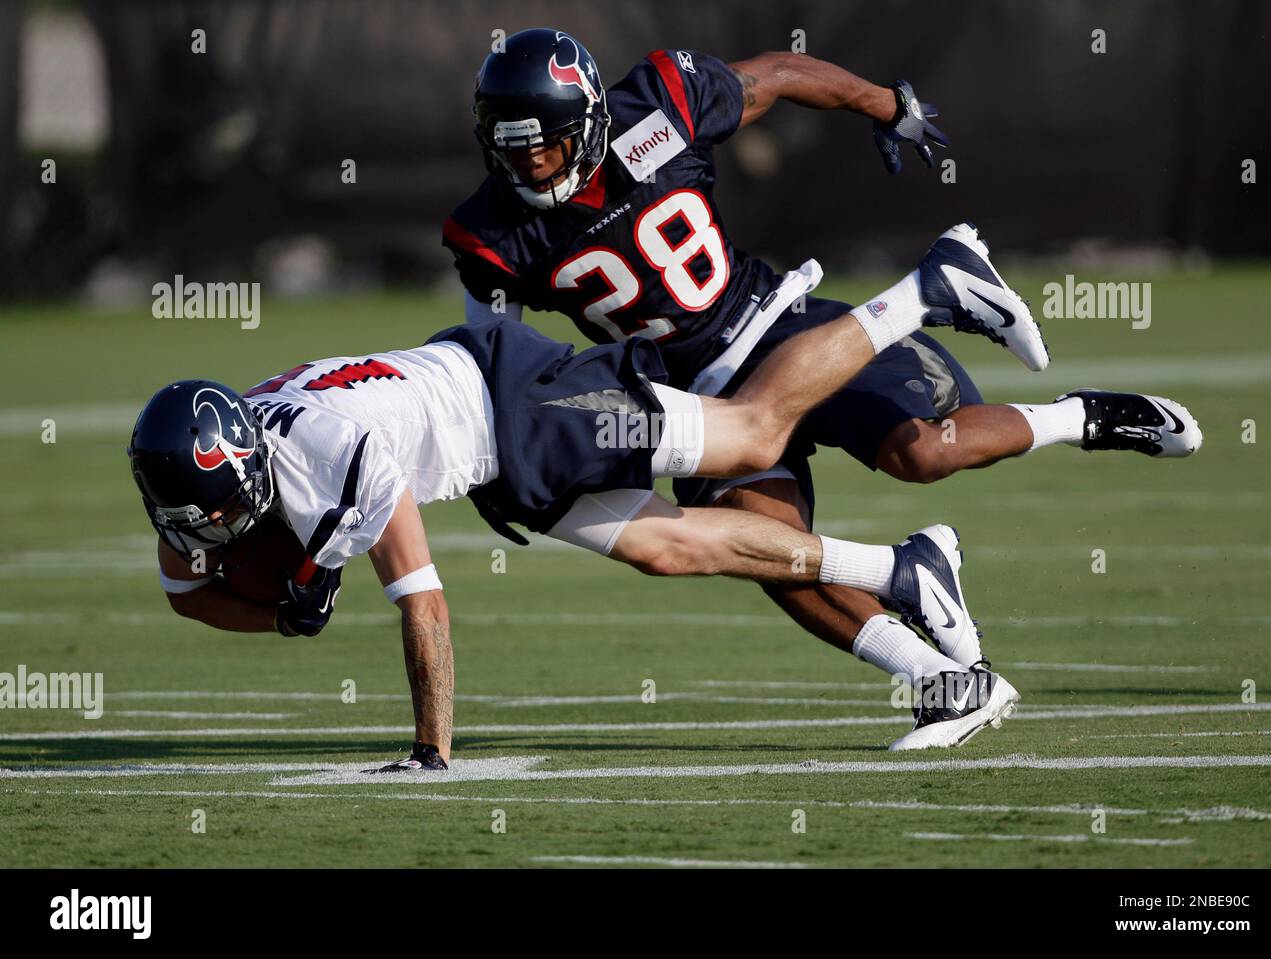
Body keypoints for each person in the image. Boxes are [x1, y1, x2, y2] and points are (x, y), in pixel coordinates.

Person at [441, 28, 1202, 729]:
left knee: (925, 452)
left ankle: (1084, 416)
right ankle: (937, 680)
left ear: (596, 120)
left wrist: (888, 105)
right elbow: (494, 356)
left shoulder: (659, 104)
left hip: (783, 323)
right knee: (771, 549)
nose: (533, 167)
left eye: (549, 146)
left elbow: (779, 73)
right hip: (696, 400)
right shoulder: (491, 233)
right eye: (514, 152)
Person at [129, 263, 1042, 771]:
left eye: (211, 512)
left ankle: (927, 287)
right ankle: (909, 594)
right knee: (672, 548)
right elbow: (183, 590)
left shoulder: (331, 452)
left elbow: (423, 603)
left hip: (515, 400)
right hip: (483, 449)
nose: (202, 531)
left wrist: (429, 751)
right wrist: (275, 608)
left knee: (748, 431)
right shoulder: (236, 451)